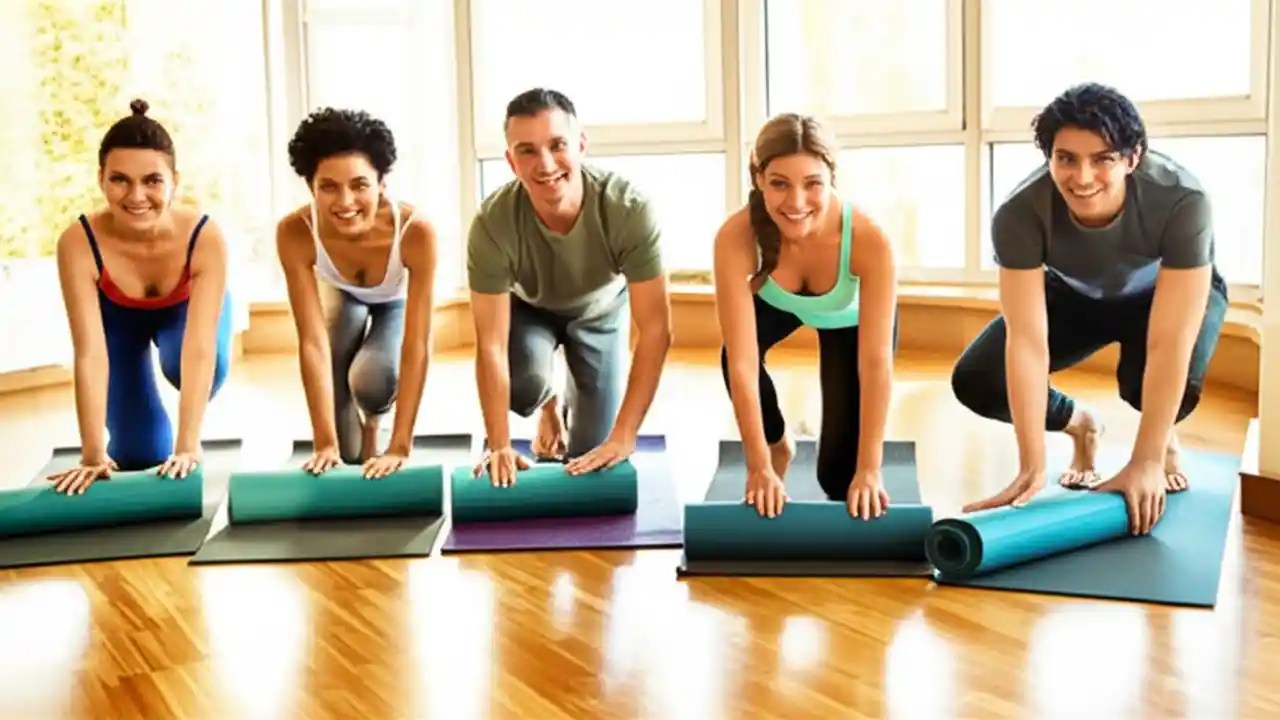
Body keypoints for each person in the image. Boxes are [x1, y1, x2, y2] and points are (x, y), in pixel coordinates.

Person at [951, 82, 1228, 535]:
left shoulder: (1183, 199)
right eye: (1067, 159)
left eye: (1103, 159)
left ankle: (1162, 439)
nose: (1082, 177)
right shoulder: (1019, 214)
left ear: (1132, 158)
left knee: (1152, 386)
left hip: (1162, 296)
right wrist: (1031, 464)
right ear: (1050, 158)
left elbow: (1170, 340)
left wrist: (1145, 460)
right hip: (1077, 293)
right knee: (978, 380)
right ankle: (1083, 425)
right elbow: (1027, 342)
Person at [467, 88, 673, 487]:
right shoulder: (493, 223)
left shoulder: (628, 209)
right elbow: (490, 345)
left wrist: (625, 435)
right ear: (511, 161)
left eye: (557, 145)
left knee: (591, 454)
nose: (545, 164)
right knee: (522, 386)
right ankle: (548, 403)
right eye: (526, 150)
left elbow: (656, 330)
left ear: (580, 144)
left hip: (600, 313)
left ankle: (573, 403)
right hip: (529, 311)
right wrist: (499, 443)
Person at [714, 113, 899, 520]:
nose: (796, 203)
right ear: (759, 178)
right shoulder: (736, 237)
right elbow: (744, 365)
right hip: (780, 304)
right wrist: (759, 464)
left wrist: (869, 470)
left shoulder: (869, 240)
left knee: (839, 480)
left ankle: (847, 464)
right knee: (732, 356)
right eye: (779, 183)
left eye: (812, 184)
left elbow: (875, 364)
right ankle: (782, 441)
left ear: (832, 178)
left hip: (847, 319)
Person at [50, 98, 234, 494]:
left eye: (152, 180)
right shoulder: (78, 242)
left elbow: (200, 347)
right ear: (101, 178)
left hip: (186, 315)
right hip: (118, 323)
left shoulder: (204, 237)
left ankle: (180, 432)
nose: (136, 196)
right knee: (140, 453)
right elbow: (89, 352)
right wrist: (93, 453)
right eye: (120, 180)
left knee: (197, 369)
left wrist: (188, 445)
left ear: (174, 181)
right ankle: (136, 440)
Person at [276, 107, 438, 478]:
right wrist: (324, 443)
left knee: (372, 381)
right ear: (310, 186)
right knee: (344, 457)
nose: (345, 202)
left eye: (359, 185)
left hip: (392, 303)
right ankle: (348, 439)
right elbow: (312, 342)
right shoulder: (294, 231)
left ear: (382, 182)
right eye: (328, 187)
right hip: (342, 298)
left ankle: (373, 425)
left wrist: (400, 446)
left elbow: (417, 344)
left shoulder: (416, 232)